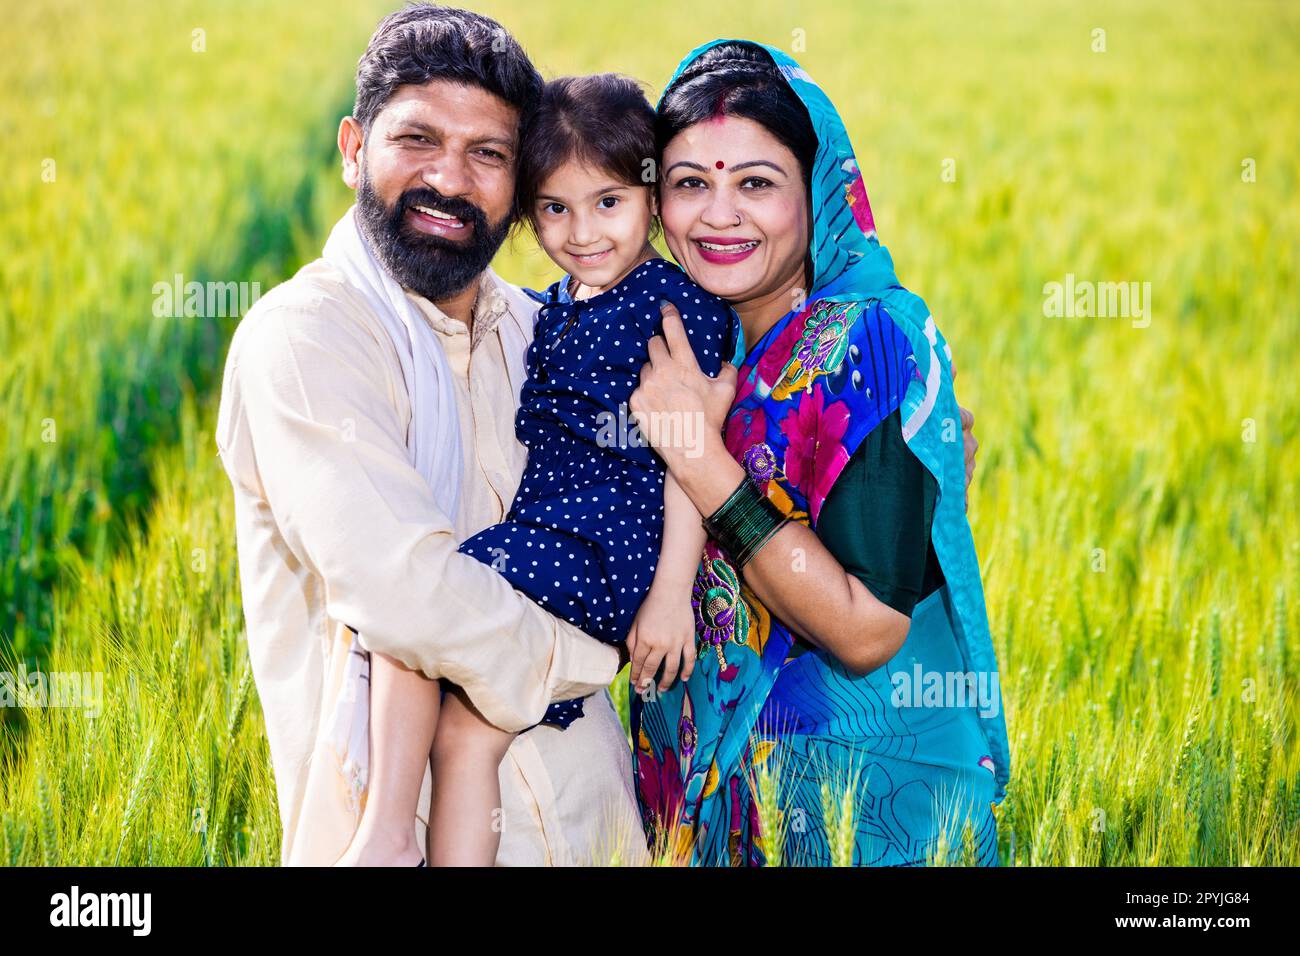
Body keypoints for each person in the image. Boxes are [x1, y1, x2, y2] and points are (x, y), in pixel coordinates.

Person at [214, 4, 644, 867]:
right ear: (351, 148)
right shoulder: (305, 339)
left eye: (486, 154)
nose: (449, 180)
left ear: (517, 187)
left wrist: (890, 430)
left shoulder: (544, 335)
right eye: (417, 139)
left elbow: (685, 464)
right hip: (398, 842)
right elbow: (409, 590)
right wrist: (591, 648)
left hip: (601, 834)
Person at [628, 39, 1010, 866]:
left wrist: (698, 459)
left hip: (864, 802)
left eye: (756, 184)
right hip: (728, 800)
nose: (718, 216)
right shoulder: (690, 338)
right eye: (691, 183)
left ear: (820, 194)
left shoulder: (866, 340)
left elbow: (866, 627)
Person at [346, 72, 736, 866]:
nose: (582, 232)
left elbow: (690, 463)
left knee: (417, 607)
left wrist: (668, 599)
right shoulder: (557, 302)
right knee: (466, 735)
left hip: (608, 548)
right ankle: (401, 843)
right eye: (554, 208)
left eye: (609, 203)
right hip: (558, 532)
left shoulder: (673, 307)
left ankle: (385, 833)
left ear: (654, 201)